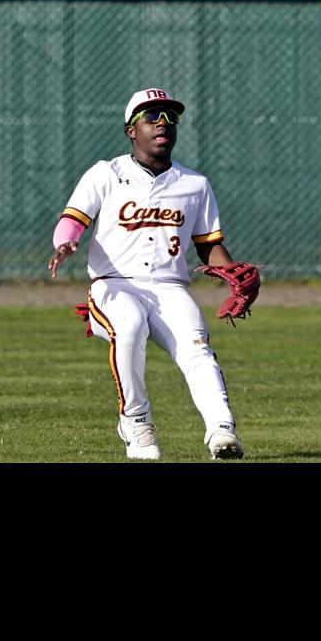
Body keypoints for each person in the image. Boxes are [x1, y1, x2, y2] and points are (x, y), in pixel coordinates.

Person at [48, 87, 244, 461]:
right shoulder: (106, 174)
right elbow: (71, 221)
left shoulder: (194, 185)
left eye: (170, 117)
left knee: (197, 348)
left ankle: (222, 430)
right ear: (130, 130)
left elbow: (208, 245)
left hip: (170, 287)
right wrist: (66, 243)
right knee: (130, 326)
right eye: (152, 116)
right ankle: (136, 422)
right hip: (114, 284)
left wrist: (232, 273)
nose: (163, 124)